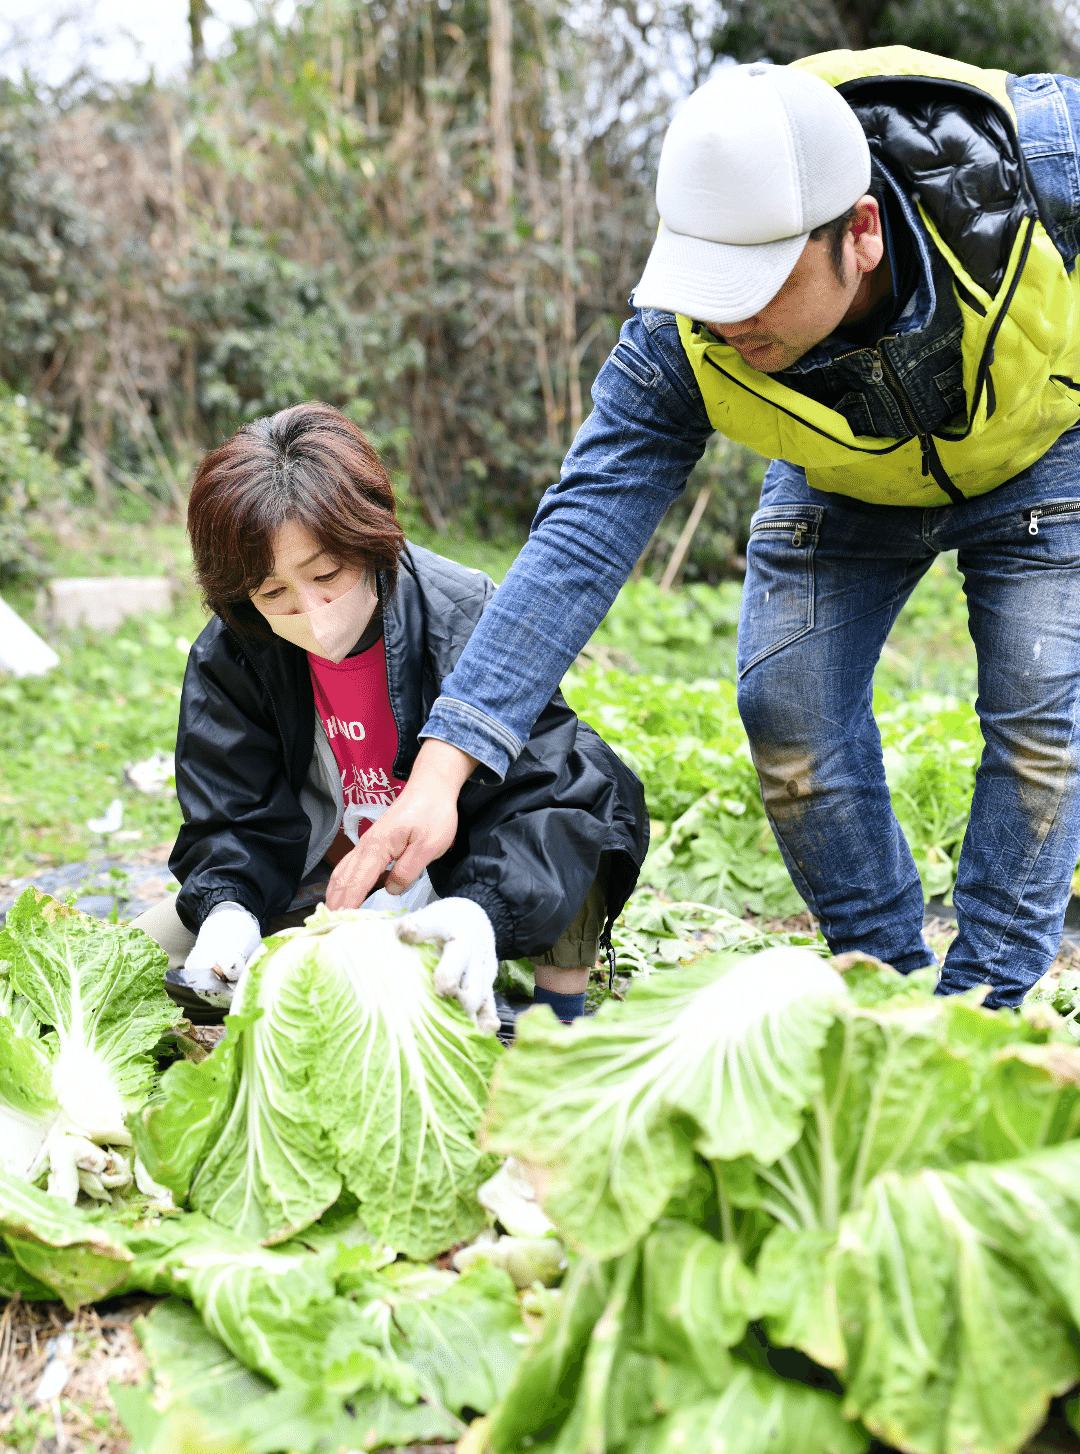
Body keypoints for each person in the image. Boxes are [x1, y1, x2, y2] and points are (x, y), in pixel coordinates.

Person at [334, 45, 1080, 1008]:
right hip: (843, 471)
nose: (725, 322)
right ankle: (888, 990)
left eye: (756, 285)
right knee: (790, 711)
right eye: (708, 285)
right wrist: (440, 775)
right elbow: (580, 534)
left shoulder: (1044, 175)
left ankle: (987, 1007)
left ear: (858, 233)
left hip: (1036, 451)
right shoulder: (688, 330)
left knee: (1038, 716)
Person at [132, 403, 647, 1031]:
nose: (311, 612)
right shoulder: (235, 648)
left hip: (451, 874)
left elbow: (547, 795)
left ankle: (556, 1014)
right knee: (140, 965)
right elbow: (232, 813)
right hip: (315, 880)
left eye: (326, 574)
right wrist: (229, 911)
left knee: (593, 784)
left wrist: (484, 909)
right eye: (274, 593)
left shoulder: (464, 614)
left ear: (370, 541)